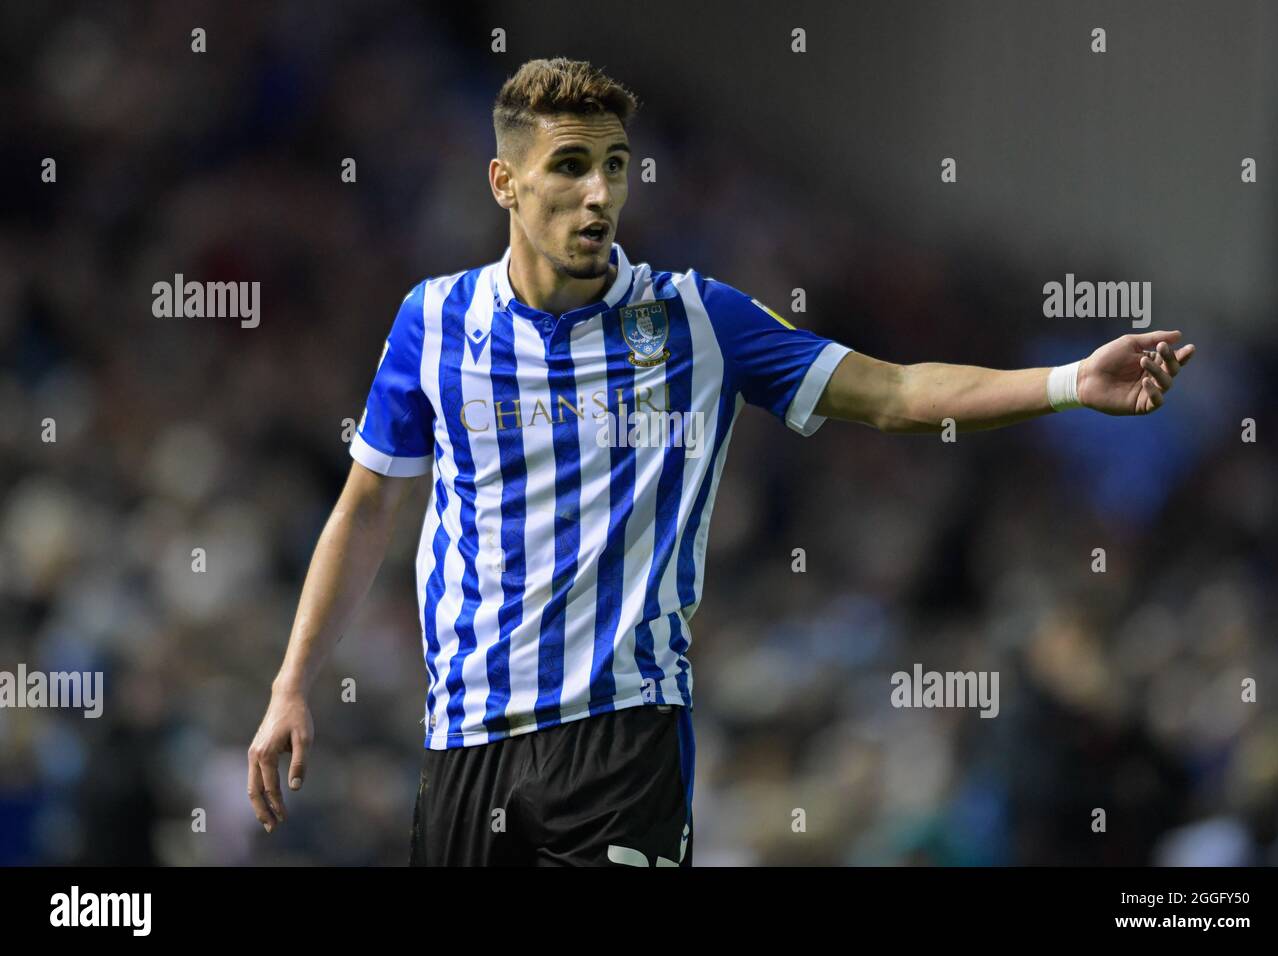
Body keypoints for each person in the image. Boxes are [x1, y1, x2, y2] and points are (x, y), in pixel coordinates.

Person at [247, 57, 1195, 866]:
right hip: (462, 745)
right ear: (504, 182)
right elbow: (366, 505)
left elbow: (898, 394)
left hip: (622, 744)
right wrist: (293, 681)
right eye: (570, 167)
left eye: (614, 167)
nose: (598, 195)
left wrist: (1070, 379)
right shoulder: (434, 320)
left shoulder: (698, 319)